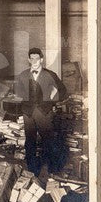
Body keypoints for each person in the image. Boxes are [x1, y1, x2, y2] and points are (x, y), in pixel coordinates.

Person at [14, 47, 68, 178]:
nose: (34, 61)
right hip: (28, 113)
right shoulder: (23, 75)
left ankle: (52, 169)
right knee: (30, 140)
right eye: (31, 58)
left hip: (44, 111)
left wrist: (50, 100)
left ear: (41, 59)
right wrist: (24, 99)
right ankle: (32, 169)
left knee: (48, 140)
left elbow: (63, 91)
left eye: (36, 58)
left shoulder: (50, 74)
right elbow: (17, 91)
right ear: (28, 60)